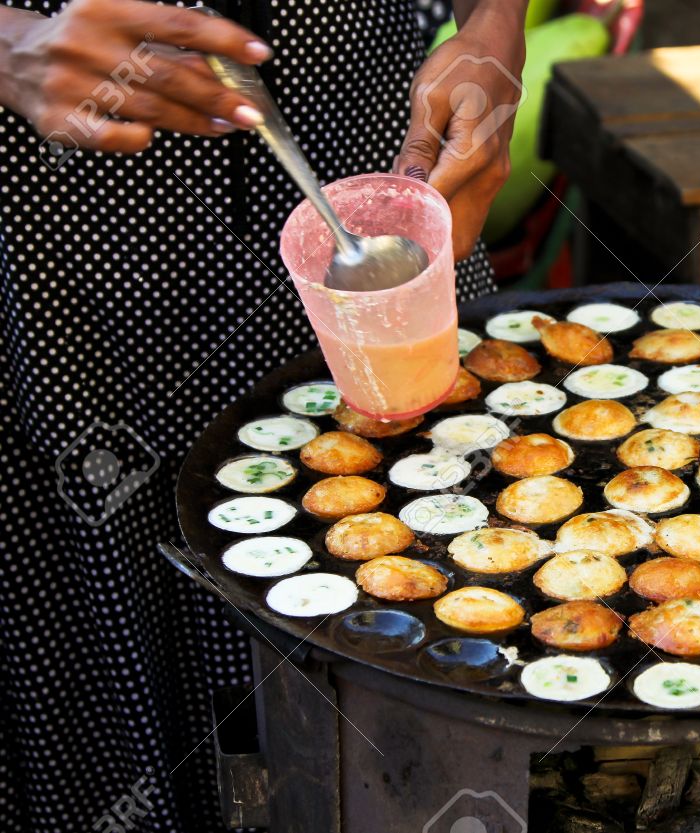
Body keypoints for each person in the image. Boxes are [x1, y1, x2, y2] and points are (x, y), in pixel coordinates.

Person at [0, 0, 525, 828]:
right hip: (72, 212)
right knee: (118, 638)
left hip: (368, 148)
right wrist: (8, 44)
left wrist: (496, 24)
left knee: (449, 540)